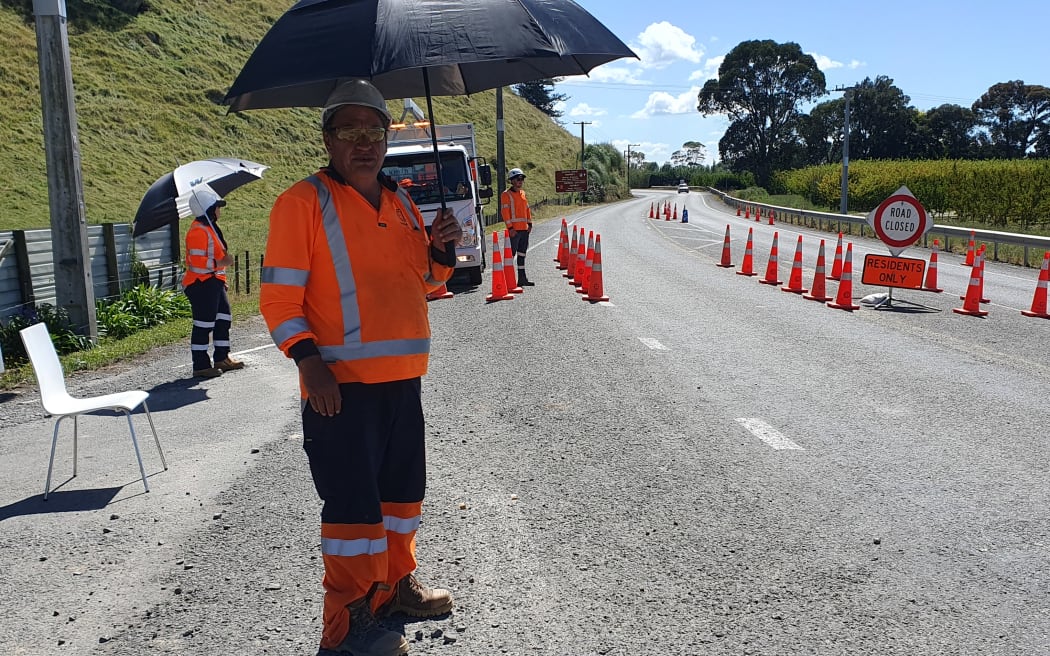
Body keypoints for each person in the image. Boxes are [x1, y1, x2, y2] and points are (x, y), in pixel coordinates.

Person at [260, 78, 463, 656]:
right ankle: (346, 630)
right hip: (340, 391)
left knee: (401, 499)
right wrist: (309, 362)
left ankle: (395, 590)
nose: (363, 142)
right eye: (349, 131)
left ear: (385, 138)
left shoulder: (400, 202)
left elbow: (422, 285)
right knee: (353, 514)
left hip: (403, 383)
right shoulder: (303, 203)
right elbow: (277, 300)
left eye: (373, 130)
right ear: (327, 140)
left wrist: (441, 254)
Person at [182, 184, 244, 378]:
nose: (219, 210)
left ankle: (222, 358)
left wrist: (220, 275)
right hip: (201, 284)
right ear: (209, 209)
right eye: (217, 206)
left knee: (223, 319)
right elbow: (198, 264)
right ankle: (200, 365)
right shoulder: (198, 231)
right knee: (203, 324)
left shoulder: (210, 228)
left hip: (214, 282)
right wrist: (221, 262)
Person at [500, 167, 534, 285]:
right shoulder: (506, 195)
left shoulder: (523, 193)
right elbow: (505, 213)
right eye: (518, 179)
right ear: (512, 181)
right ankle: (507, 281)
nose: (520, 181)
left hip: (524, 230)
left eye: (522, 179)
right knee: (510, 256)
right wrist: (510, 228)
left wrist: (529, 224)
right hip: (514, 231)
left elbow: (527, 209)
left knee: (522, 255)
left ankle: (522, 279)